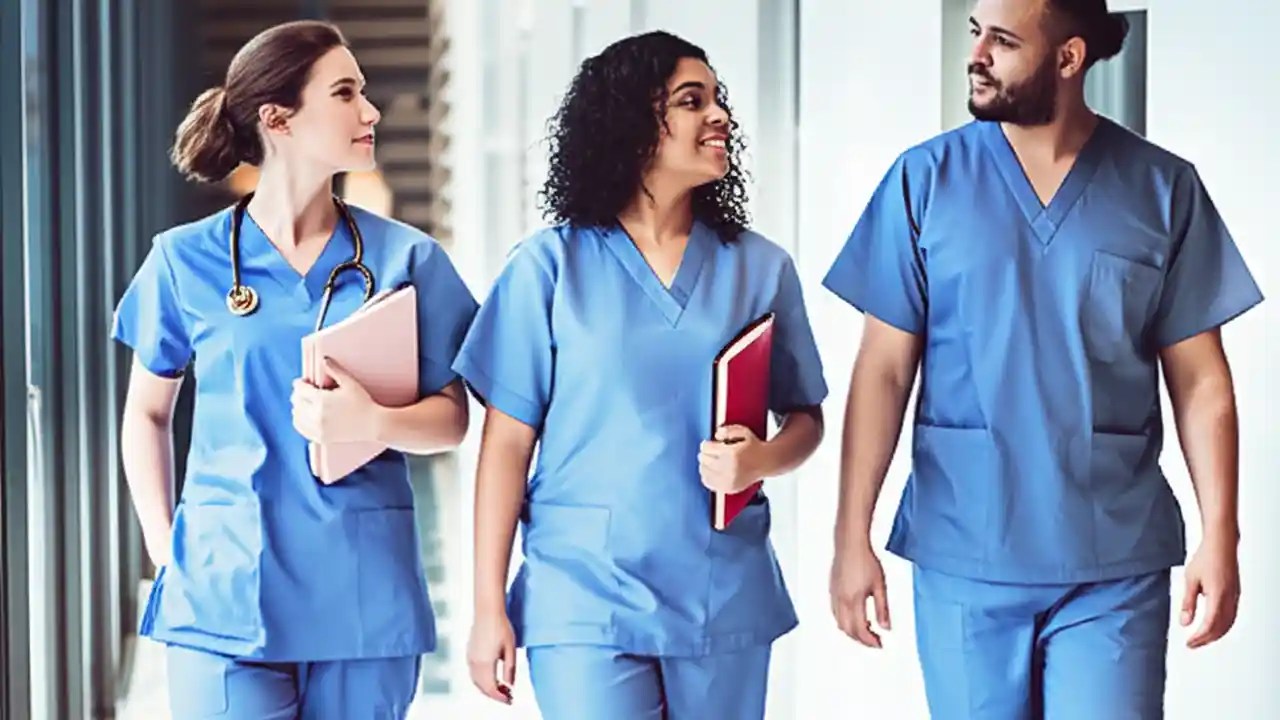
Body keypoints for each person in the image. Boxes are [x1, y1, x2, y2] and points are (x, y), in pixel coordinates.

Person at [823, 0, 1263, 717]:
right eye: (975, 34)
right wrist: (851, 537)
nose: (977, 55)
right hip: (966, 548)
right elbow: (883, 370)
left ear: (1069, 58)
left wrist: (1223, 535)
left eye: (1002, 40)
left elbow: (1202, 381)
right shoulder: (924, 181)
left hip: (1112, 560)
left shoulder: (1161, 188)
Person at [452, 30, 828, 720]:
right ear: (631, 124)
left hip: (721, 592)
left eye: (719, 100)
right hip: (582, 595)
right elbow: (505, 447)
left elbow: (805, 419)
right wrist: (486, 609)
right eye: (693, 101)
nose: (719, 115)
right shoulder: (548, 268)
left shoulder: (761, 269)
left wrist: (762, 460)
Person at [111, 20, 478, 719]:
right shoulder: (184, 261)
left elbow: (453, 419)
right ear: (277, 118)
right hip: (222, 592)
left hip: (360, 598)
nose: (369, 111)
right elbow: (147, 413)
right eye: (345, 92)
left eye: (365, 91)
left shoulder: (407, 261)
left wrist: (374, 420)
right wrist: (169, 553)